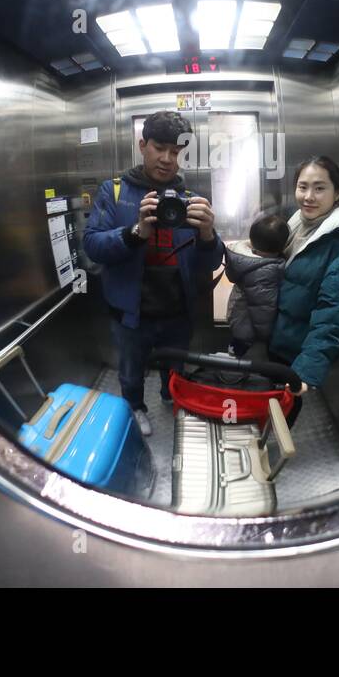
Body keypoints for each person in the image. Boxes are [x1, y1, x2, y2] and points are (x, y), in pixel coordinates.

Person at [82, 110, 223, 437]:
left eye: (175, 152)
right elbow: (92, 245)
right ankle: (135, 406)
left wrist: (208, 236)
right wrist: (135, 232)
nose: (166, 159)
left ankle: (171, 398)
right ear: (142, 144)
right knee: (131, 370)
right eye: (159, 147)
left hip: (178, 310)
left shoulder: (190, 199)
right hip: (131, 313)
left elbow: (210, 263)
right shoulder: (114, 192)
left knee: (176, 368)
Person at [268, 156, 339, 418]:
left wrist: (306, 369)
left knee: (281, 417)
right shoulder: (297, 223)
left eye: (320, 188)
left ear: (337, 193)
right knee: (267, 409)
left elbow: (334, 309)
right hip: (276, 340)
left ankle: (272, 452)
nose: (308, 196)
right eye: (303, 186)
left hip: (295, 353)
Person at [223, 214, 291, 360]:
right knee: (242, 358)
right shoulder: (264, 271)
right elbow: (263, 308)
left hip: (239, 314)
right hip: (248, 327)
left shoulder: (244, 257)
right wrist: (265, 336)